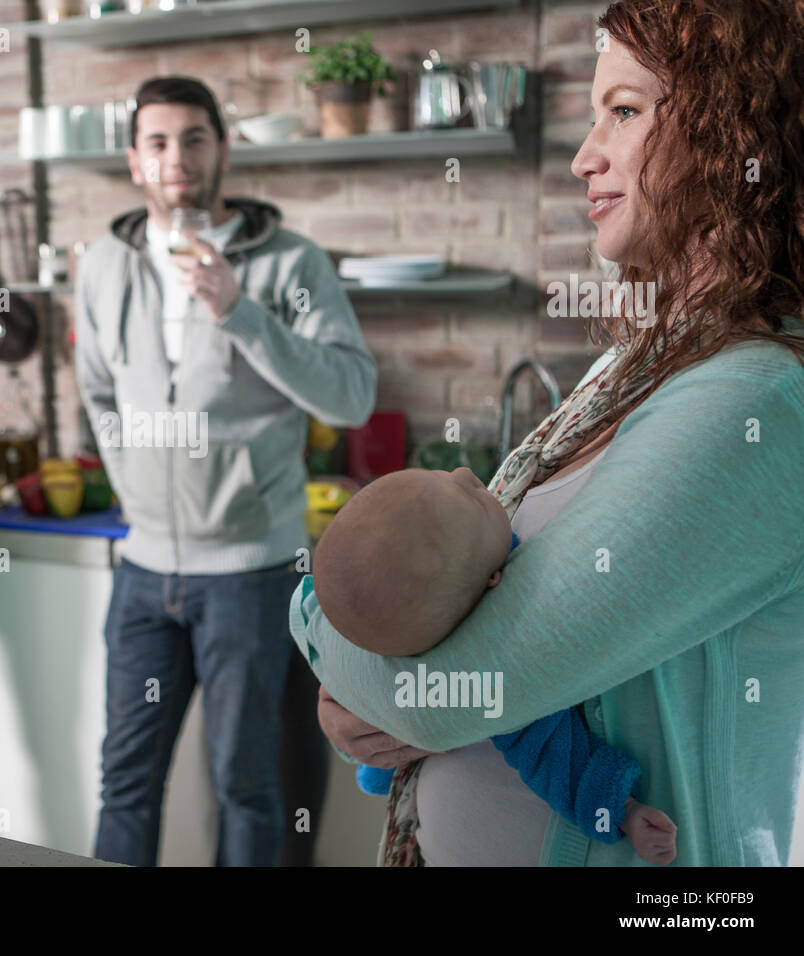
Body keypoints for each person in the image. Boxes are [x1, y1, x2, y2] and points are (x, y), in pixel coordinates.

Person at [293, 0, 804, 866]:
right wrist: (364, 695)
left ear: (736, 129)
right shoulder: (632, 368)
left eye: (625, 111)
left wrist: (322, 635)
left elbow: (454, 693)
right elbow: (437, 643)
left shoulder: (755, 401)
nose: (584, 156)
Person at [75, 75, 377, 866]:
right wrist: (136, 474)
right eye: (158, 142)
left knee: (248, 785)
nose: (177, 158)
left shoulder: (291, 264)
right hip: (142, 571)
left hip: (250, 573)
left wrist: (240, 311)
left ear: (224, 149)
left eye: (195, 138)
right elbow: (97, 387)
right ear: (135, 161)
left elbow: (351, 395)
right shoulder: (104, 263)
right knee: (124, 780)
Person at [313, 468, 678, 864]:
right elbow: (557, 758)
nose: (466, 471)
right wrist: (620, 811)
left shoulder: (406, 623)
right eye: (469, 493)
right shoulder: (492, 671)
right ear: (493, 579)